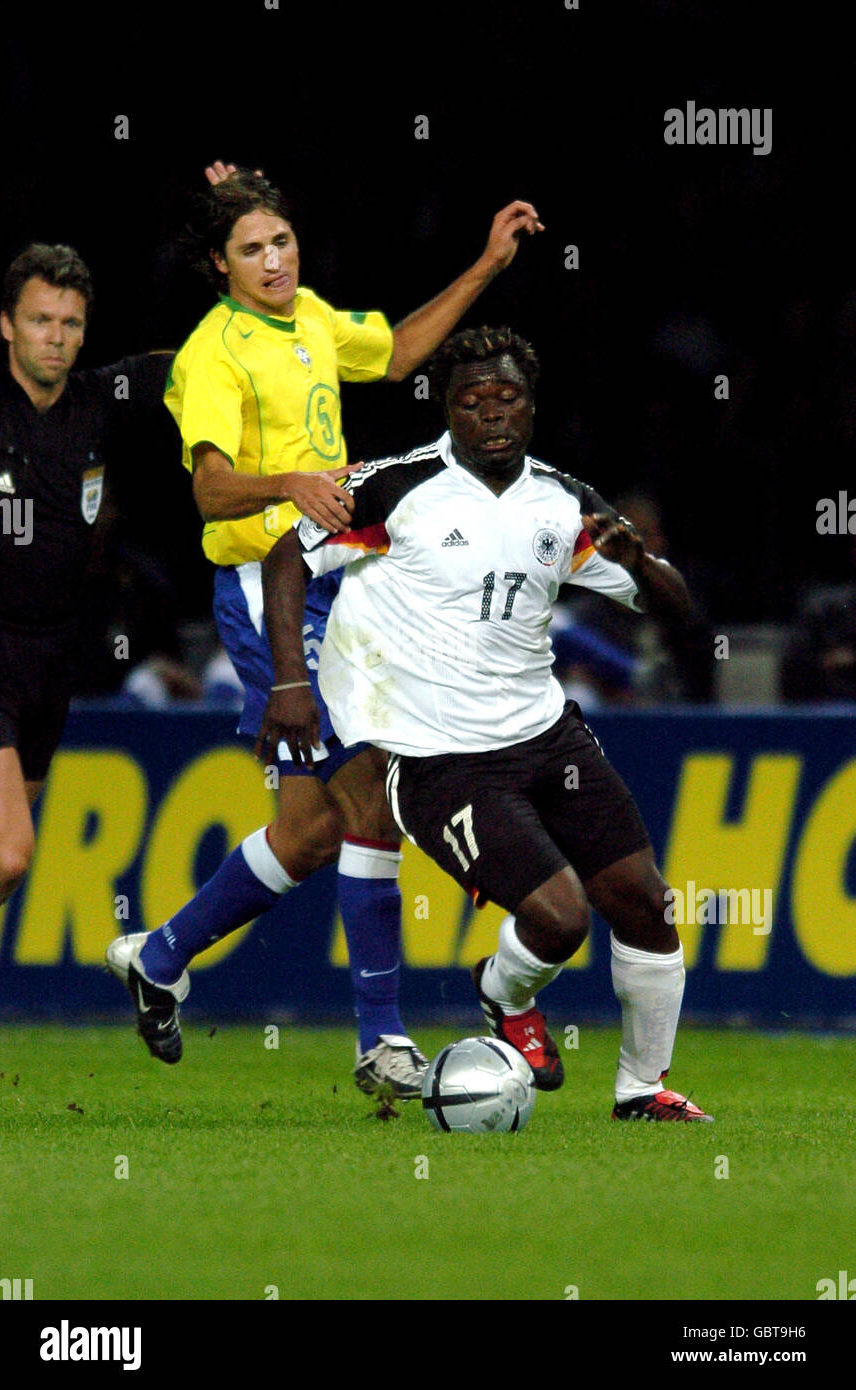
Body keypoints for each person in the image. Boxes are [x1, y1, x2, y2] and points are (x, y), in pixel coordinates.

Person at [106, 169, 544, 1099]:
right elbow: (211, 490)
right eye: (254, 250)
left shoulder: (306, 315)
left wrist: (485, 266)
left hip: (339, 588)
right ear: (218, 266)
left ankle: (161, 956)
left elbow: (393, 355)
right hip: (267, 596)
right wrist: (292, 484)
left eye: (283, 242)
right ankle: (382, 1041)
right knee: (376, 796)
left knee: (306, 833)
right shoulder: (212, 354)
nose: (274, 261)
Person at [259, 325, 713, 1121]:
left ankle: (642, 1092)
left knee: (644, 902)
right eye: (472, 401)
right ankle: (503, 995)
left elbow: (677, 610)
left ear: (531, 406)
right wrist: (291, 681)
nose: (491, 414)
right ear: (447, 408)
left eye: (506, 398)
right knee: (560, 917)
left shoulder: (564, 502)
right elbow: (286, 557)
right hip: (441, 758)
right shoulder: (397, 488)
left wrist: (639, 561)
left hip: (547, 736)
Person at [0, 244, 171, 925]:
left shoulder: (101, 401)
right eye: (40, 321)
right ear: (8, 324)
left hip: (50, 662)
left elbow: (206, 361)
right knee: (10, 855)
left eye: (69, 323)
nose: (55, 338)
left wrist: (232, 256)